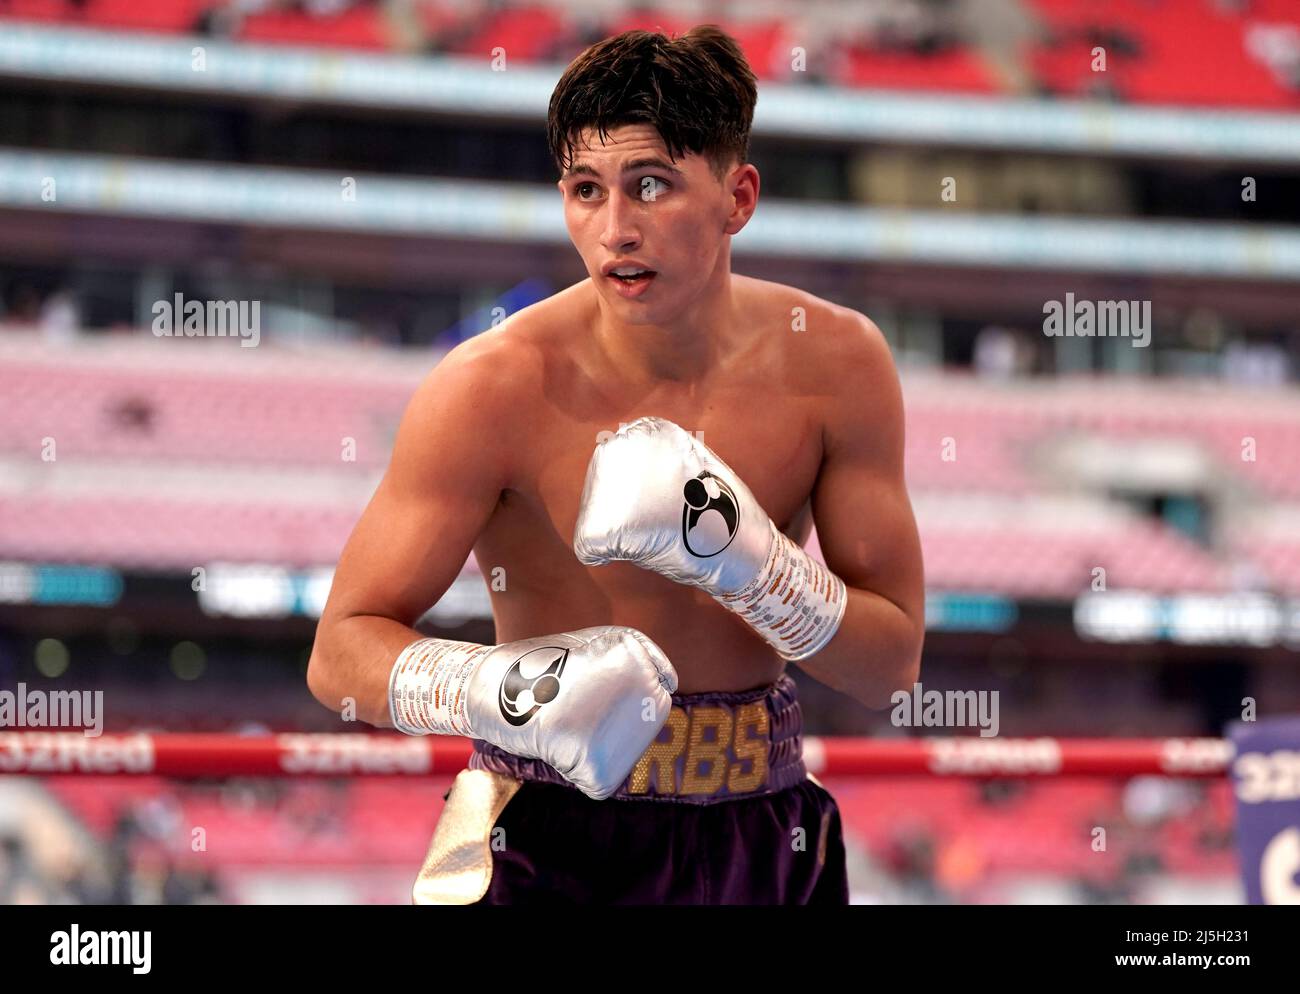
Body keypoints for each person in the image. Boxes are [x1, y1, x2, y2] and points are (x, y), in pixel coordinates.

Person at [307, 25, 925, 905]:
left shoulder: (836, 364)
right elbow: (338, 652)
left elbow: (889, 666)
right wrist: (493, 689)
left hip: (762, 828)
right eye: (584, 190)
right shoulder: (493, 385)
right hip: (539, 830)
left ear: (738, 196)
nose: (614, 229)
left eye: (650, 186)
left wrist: (754, 568)